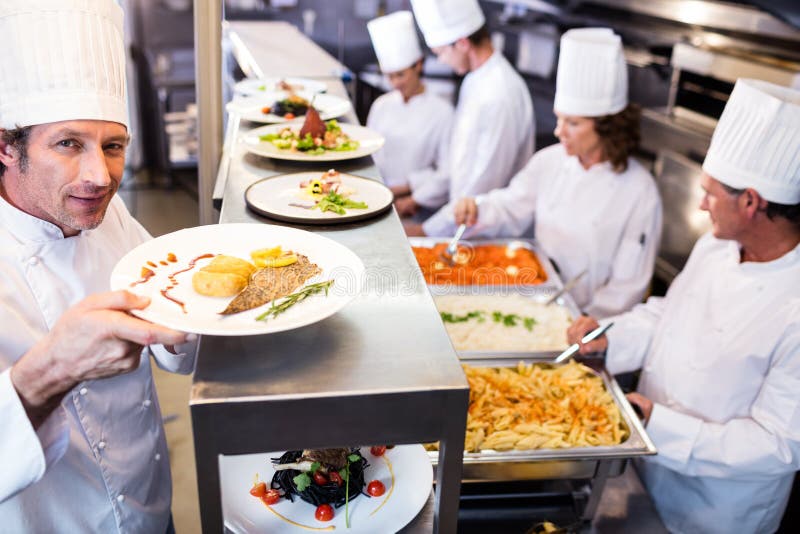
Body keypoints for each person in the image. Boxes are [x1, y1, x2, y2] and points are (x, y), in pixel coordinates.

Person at [568, 78, 800, 534]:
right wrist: (606, 338)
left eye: (711, 193)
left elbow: (779, 444)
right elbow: (666, 316)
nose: (701, 203)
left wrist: (661, 424)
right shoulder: (716, 246)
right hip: (645, 471)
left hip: (712, 513)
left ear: (751, 202)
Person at [0, 1, 196, 532]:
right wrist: (50, 373)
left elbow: (177, 344)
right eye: (68, 144)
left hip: (155, 509)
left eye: (113, 147)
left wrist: (203, 305)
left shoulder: (110, 218)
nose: (100, 175)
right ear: (5, 148)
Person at [451, 28, 661, 318]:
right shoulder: (549, 162)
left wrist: (581, 322)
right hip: (531, 299)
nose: (558, 131)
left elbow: (627, 288)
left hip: (587, 322)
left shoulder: (640, 191)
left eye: (572, 123)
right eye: (559, 118)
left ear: (607, 126)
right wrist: (478, 207)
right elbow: (511, 204)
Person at [404, 0, 534, 233]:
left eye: (441, 52)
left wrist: (425, 231)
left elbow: (482, 188)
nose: (442, 60)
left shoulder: (500, 94)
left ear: (462, 43)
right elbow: (460, 163)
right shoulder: (475, 79)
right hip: (461, 223)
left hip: (487, 233)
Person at [365, 11, 454, 214]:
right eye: (389, 76)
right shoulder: (381, 105)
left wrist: (412, 196)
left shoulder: (442, 112)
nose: (395, 83)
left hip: (418, 205)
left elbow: (447, 171)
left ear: (419, 64)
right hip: (378, 197)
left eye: (400, 75)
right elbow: (371, 155)